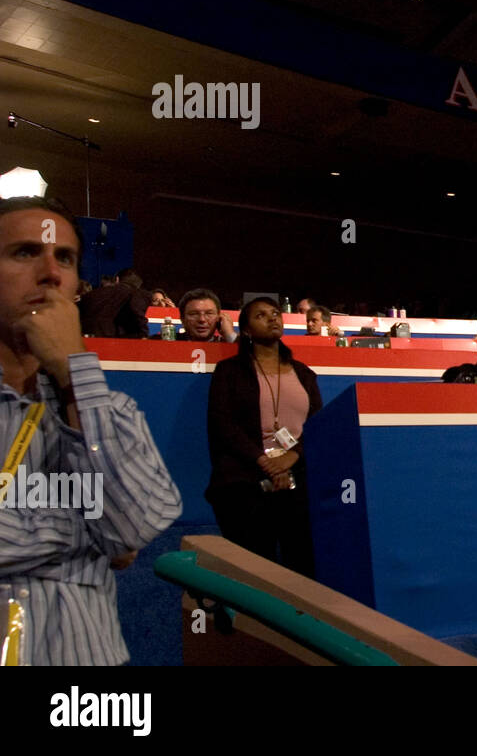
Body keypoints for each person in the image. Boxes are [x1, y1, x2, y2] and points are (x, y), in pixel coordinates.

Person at [0, 196, 181, 664]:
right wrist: (93, 535)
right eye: (25, 252)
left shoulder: (105, 404)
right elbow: (118, 539)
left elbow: (137, 525)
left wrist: (72, 371)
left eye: (64, 258)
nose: (50, 274)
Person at [205, 297, 318, 576]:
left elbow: (318, 424)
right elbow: (223, 424)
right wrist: (264, 462)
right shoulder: (229, 372)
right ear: (245, 330)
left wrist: (292, 456)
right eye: (261, 315)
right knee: (254, 574)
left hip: (298, 480)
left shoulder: (304, 374)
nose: (272, 318)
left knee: (303, 571)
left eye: (275, 313)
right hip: (245, 481)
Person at [77, 267, 151, 338]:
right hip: (113, 340)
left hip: (85, 338)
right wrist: (144, 334)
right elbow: (137, 313)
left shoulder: (92, 294)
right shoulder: (134, 293)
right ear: (139, 285)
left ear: (117, 279)